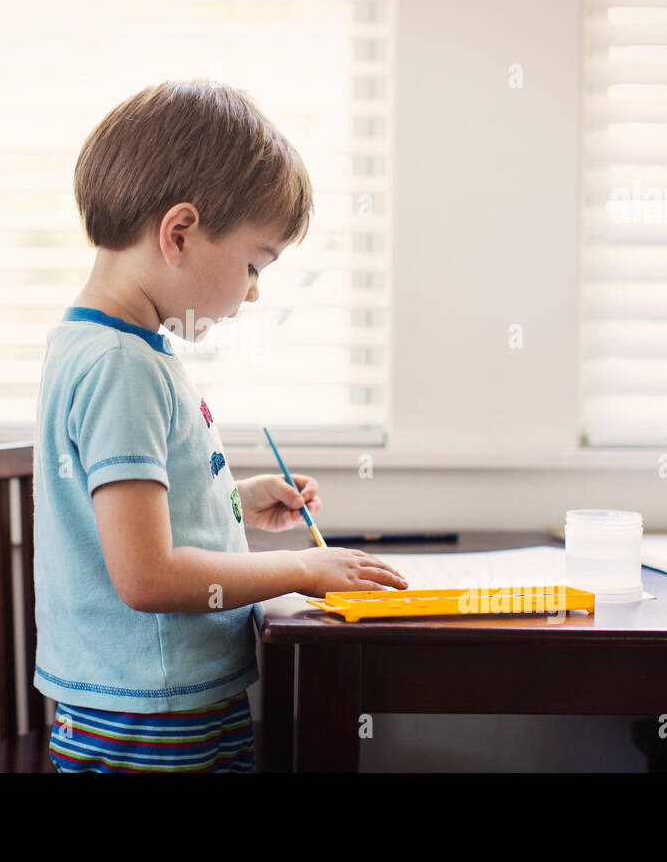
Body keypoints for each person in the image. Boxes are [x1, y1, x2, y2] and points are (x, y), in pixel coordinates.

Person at [33, 78, 407, 772]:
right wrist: (302, 568)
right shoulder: (123, 365)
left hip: (147, 696)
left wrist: (235, 498)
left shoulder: (104, 345)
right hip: (152, 706)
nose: (255, 290)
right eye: (254, 264)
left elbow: (136, 507)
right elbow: (146, 576)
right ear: (179, 233)